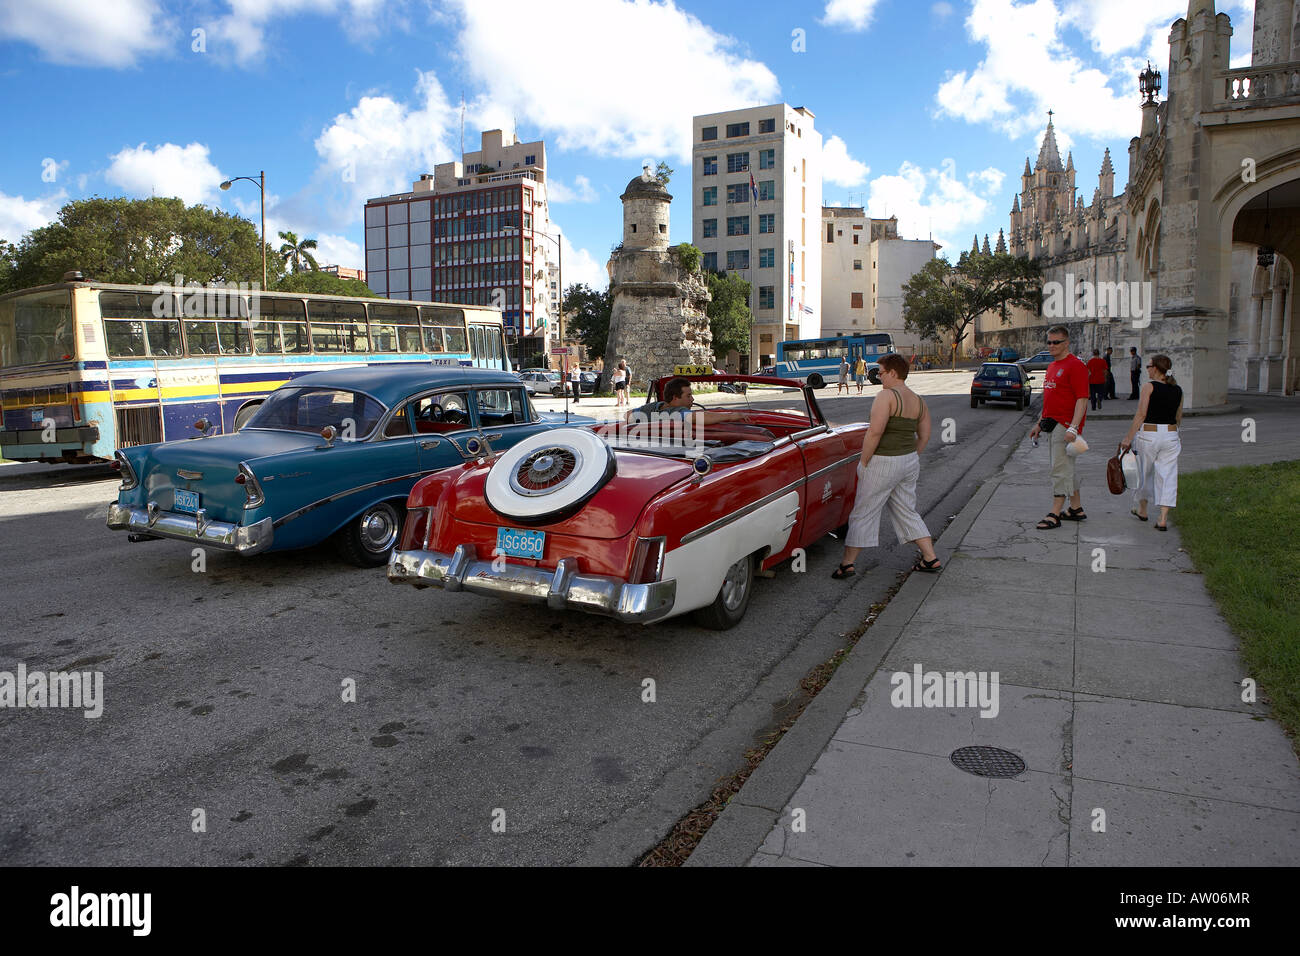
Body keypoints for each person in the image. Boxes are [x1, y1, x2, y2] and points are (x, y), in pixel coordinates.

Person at [833, 354, 941, 579]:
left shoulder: (886, 396)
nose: (878, 376)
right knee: (906, 510)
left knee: (864, 511)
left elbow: (875, 431)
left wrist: (864, 462)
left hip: (883, 461)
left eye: (881, 372)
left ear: (893, 373)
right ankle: (930, 558)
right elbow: (925, 435)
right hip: (909, 460)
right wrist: (912, 455)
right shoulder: (918, 400)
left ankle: (847, 564)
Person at [1028, 326, 1090, 529]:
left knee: (1059, 468)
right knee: (1067, 468)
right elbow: (1049, 400)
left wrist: (1073, 427)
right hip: (1052, 424)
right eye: (1049, 342)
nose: (1051, 346)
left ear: (1066, 343)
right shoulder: (1053, 367)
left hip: (1065, 426)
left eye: (1056, 342)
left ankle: (1054, 513)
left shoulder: (1075, 366)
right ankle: (1076, 508)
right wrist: (1039, 423)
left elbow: (1082, 398)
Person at [1120, 354, 1183, 531]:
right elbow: (1178, 416)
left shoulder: (1149, 387)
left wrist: (1128, 438)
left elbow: (1141, 414)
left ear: (1155, 368)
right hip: (1171, 435)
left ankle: (1143, 509)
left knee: (1143, 473)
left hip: (1149, 434)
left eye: (1148, 366)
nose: (1146, 369)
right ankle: (1162, 518)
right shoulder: (1177, 389)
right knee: (1168, 475)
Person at [625, 377, 744, 427]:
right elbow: (696, 417)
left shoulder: (653, 407)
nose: (692, 399)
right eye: (688, 396)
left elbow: (627, 415)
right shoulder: (678, 412)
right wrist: (731, 416)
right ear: (675, 398)